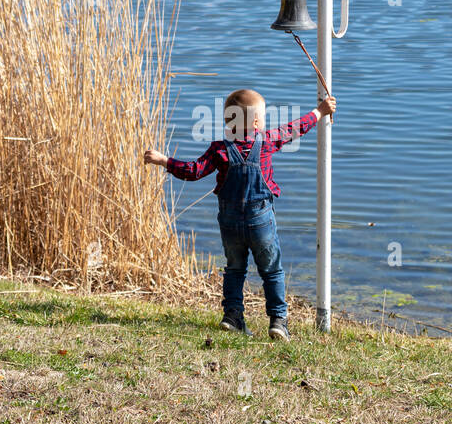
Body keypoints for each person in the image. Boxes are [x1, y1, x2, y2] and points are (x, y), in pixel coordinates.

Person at [144, 88, 336, 340]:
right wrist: (320, 111)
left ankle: (233, 316)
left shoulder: (218, 150)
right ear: (256, 122)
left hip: (230, 222)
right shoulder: (266, 141)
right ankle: (278, 321)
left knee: (234, 269)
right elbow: (294, 129)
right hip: (261, 221)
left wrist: (165, 160)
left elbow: (193, 171)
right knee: (272, 271)